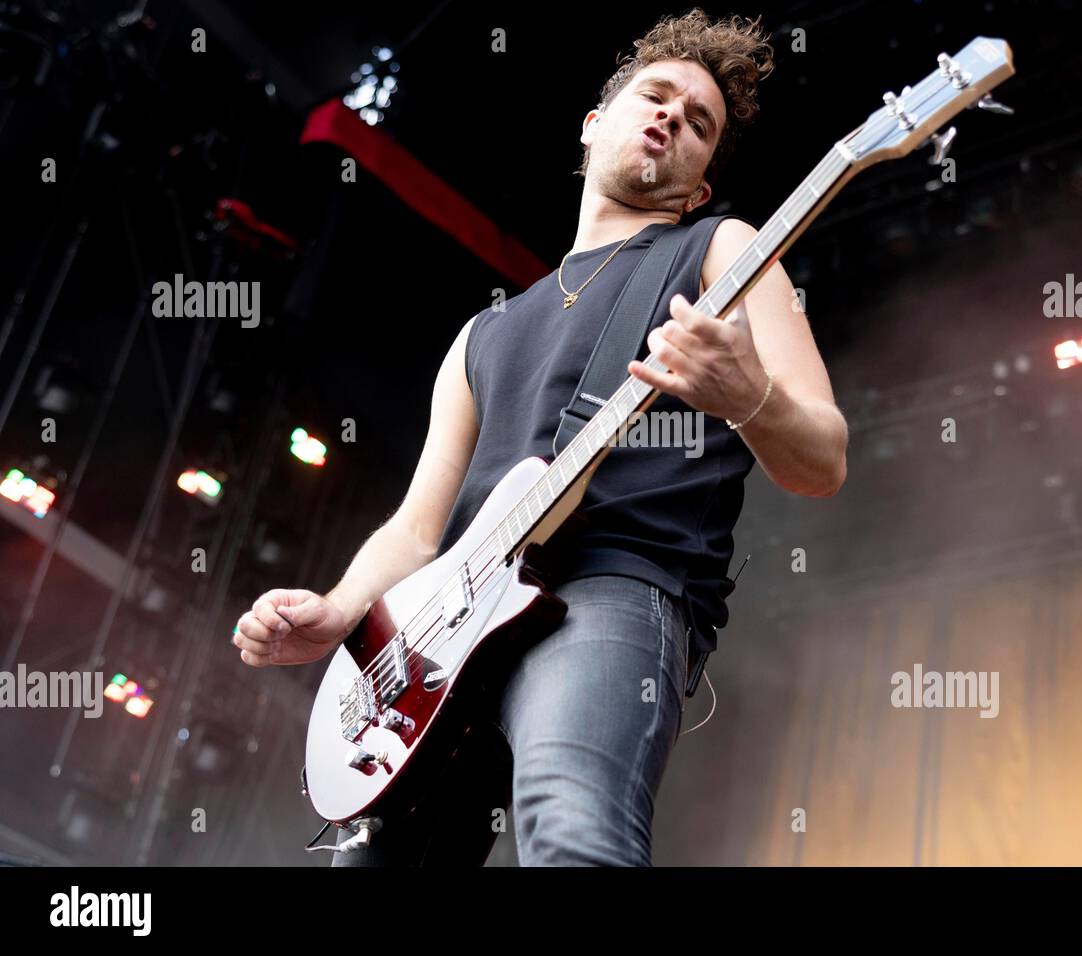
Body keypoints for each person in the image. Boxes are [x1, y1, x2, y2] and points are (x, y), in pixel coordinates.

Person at [233, 8, 846, 866]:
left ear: (700, 182)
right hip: (451, 627)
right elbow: (418, 529)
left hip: (615, 588)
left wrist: (748, 396)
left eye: (698, 123)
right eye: (656, 96)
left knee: (572, 836)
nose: (671, 117)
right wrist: (337, 612)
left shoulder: (721, 250)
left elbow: (821, 458)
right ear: (595, 126)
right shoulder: (482, 336)